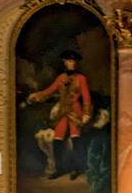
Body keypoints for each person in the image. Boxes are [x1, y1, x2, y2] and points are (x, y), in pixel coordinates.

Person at [23, 49, 91, 180]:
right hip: (62, 113)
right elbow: (48, 91)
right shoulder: (60, 78)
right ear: (65, 63)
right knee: (57, 140)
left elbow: (86, 97)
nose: (73, 64)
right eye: (70, 61)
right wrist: (35, 97)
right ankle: (59, 169)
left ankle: (77, 169)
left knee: (76, 140)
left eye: (74, 61)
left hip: (76, 113)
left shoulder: (81, 78)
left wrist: (86, 113)